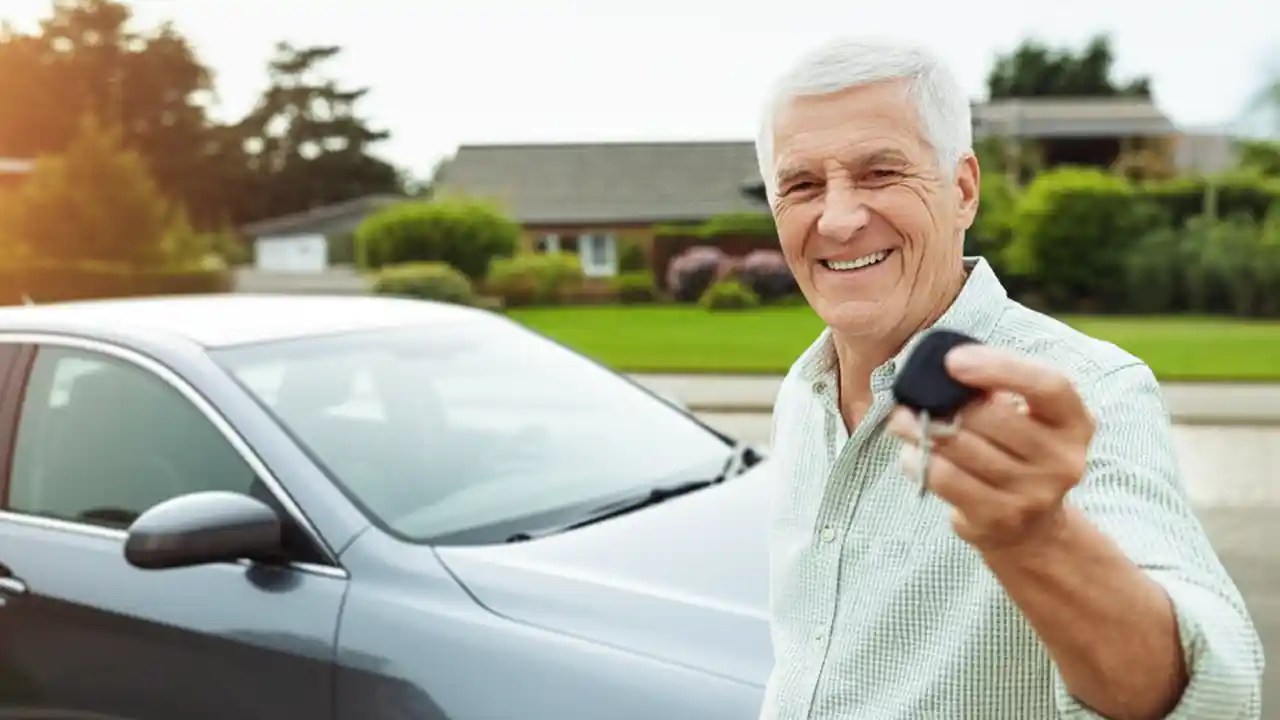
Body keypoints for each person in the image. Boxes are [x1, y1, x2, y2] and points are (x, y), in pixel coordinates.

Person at [756, 36, 1264, 719]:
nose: (839, 218)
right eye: (803, 185)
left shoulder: (1088, 388)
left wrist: (1037, 538)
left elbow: (1218, 694)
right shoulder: (800, 394)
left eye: (880, 174)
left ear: (962, 190)